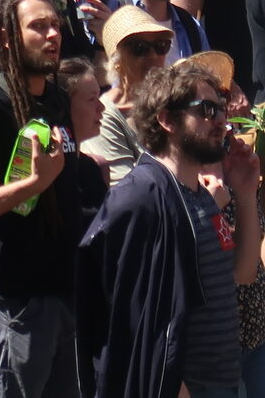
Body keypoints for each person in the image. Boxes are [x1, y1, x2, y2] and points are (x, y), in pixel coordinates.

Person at [78, 56, 262, 398]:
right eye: (206, 110)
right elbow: (127, 317)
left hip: (223, 380)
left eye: (221, 108)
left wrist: (246, 193)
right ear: (167, 120)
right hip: (183, 386)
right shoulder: (142, 196)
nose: (221, 120)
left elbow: (243, 272)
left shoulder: (201, 195)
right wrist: (174, 387)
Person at [0, 0, 101, 398]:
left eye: (55, 25)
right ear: (6, 37)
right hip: (15, 301)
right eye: (38, 27)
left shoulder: (56, 99)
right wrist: (32, 184)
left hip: (63, 293)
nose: (52, 35)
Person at [85, 4, 172, 187]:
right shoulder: (103, 115)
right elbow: (128, 191)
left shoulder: (171, 101)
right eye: (140, 48)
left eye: (161, 45)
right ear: (116, 60)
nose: (154, 55)